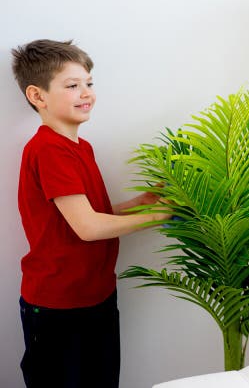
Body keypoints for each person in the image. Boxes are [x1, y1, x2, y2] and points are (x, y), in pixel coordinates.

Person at [11, 39, 171, 388]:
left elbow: (85, 215)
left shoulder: (80, 147)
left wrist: (139, 202)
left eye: (89, 83)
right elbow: (88, 227)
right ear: (37, 96)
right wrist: (160, 216)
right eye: (72, 85)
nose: (86, 93)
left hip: (95, 295)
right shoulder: (49, 149)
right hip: (58, 305)